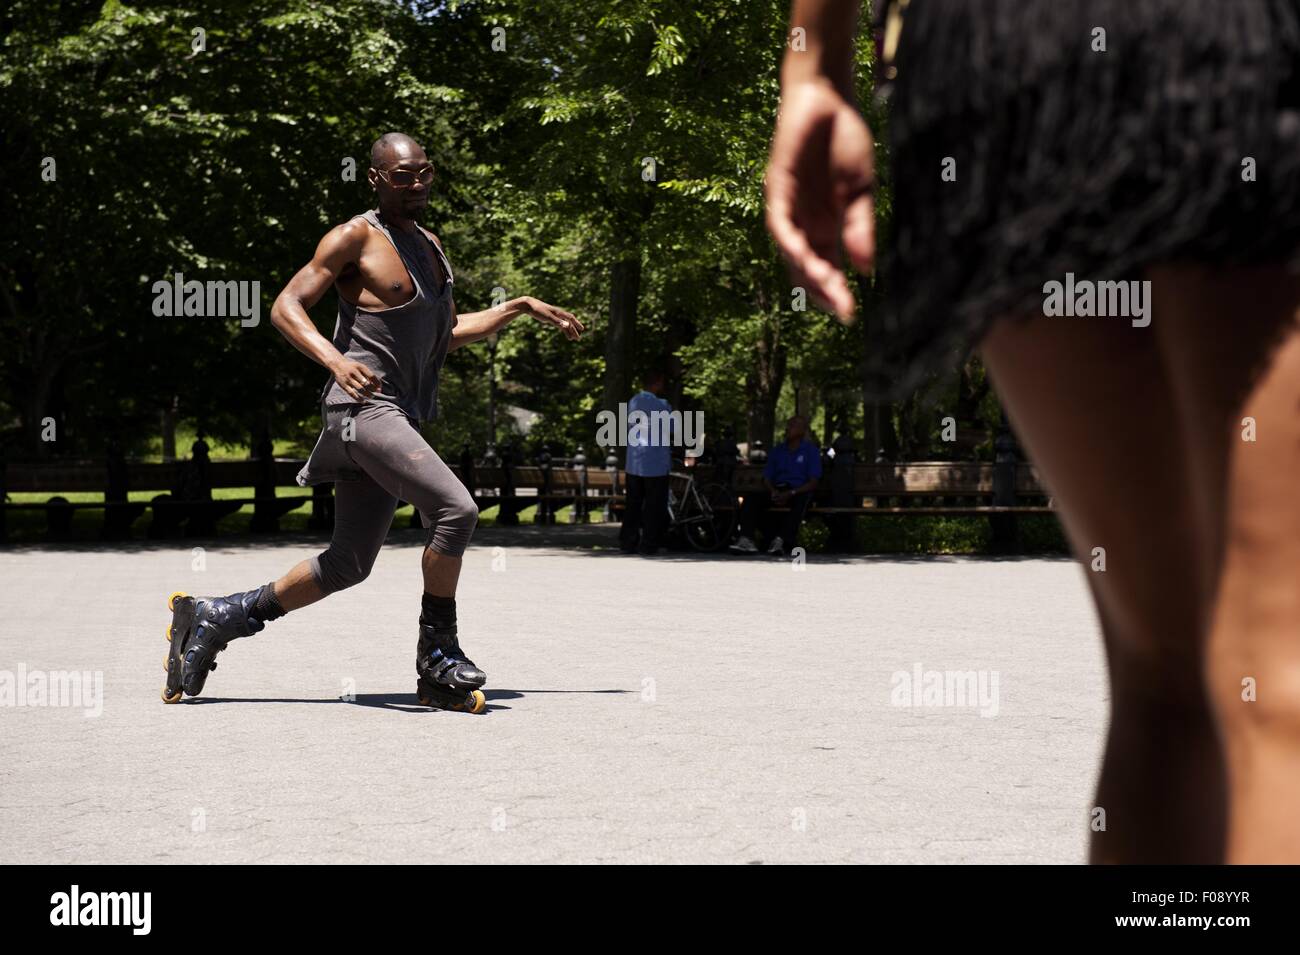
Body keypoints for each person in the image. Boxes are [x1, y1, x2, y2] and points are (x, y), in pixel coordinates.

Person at [766, 0, 1300, 863]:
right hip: (1244, 33)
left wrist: (816, 67)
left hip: (1000, 58)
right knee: (1280, 676)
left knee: (1164, 681)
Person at [163, 132, 583, 713]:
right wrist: (336, 359)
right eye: (402, 175)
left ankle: (218, 616)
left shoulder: (431, 247)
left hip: (393, 417)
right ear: (376, 179)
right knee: (456, 509)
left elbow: (445, 335)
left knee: (348, 563)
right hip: (360, 410)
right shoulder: (353, 237)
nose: (416, 184)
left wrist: (517, 307)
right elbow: (285, 307)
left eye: (423, 173)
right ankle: (438, 654)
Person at [730, 415, 821, 556]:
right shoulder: (777, 450)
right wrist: (773, 491)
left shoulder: (811, 451)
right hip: (777, 489)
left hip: (798, 491)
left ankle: (781, 540)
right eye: (788, 425)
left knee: (803, 500)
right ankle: (746, 539)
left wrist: (791, 493)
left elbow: (813, 482)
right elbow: (767, 477)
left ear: (802, 431)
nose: (787, 429)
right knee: (752, 498)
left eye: (792, 426)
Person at [619, 370, 673, 556]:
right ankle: (649, 543)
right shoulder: (662, 405)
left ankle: (628, 541)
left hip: (634, 462)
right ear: (657, 383)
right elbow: (671, 428)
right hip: (655, 463)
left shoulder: (632, 402)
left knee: (633, 504)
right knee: (654, 505)